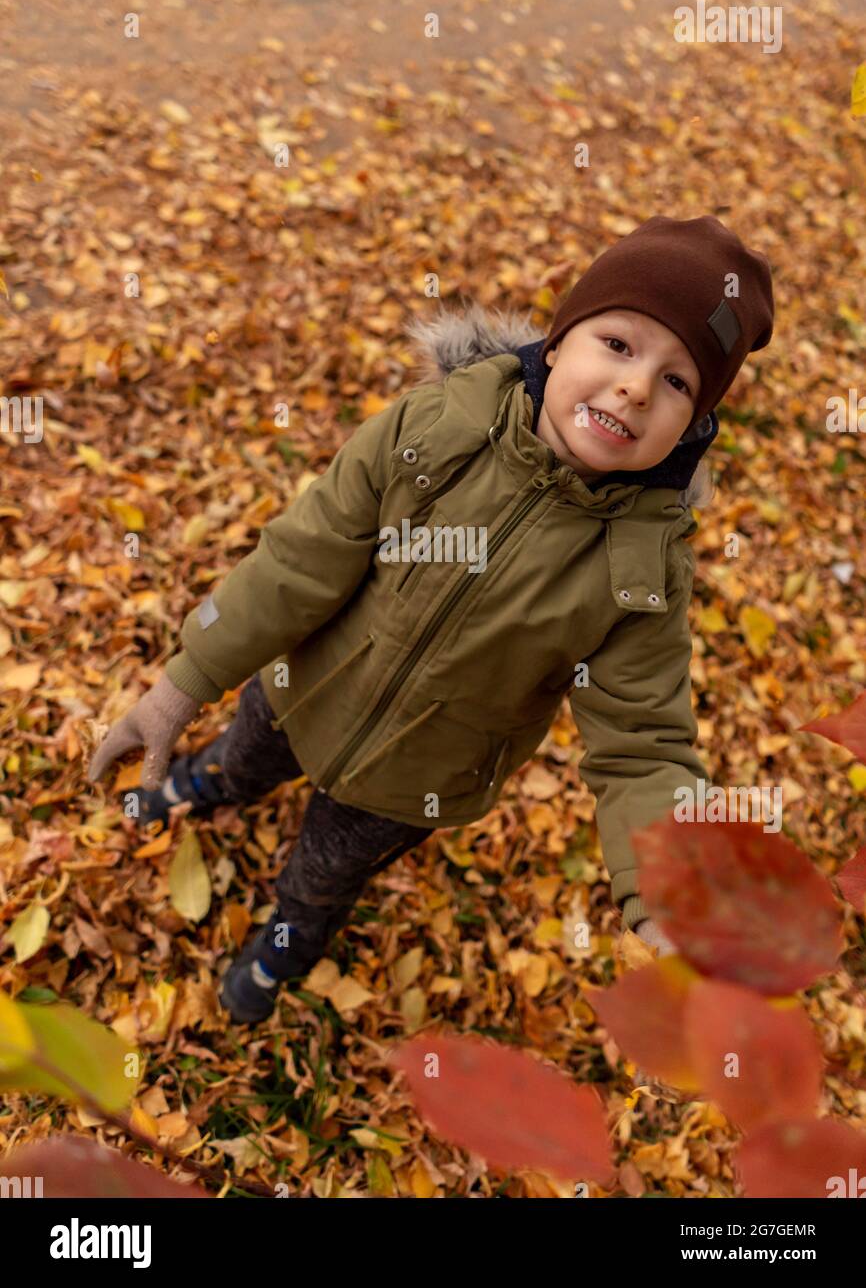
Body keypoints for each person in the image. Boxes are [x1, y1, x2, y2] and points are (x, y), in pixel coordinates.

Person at [87, 214, 774, 1025]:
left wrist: (664, 889)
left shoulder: (641, 568)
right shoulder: (436, 429)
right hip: (301, 684)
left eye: (676, 382)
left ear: (690, 428)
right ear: (558, 343)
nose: (634, 387)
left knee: (323, 876)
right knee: (247, 755)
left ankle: (288, 941)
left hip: (415, 780)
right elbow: (299, 560)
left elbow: (643, 745)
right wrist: (179, 686)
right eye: (619, 346)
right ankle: (212, 783)